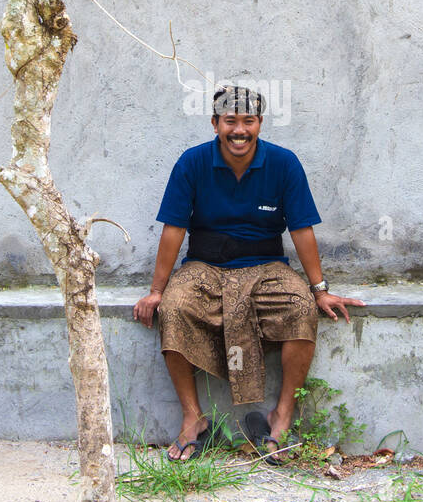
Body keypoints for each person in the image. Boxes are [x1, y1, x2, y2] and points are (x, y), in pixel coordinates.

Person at [133, 85, 364, 463]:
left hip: (268, 267)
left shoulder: (284, 163)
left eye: (248, 121)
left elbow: (302, 229)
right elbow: (173, 229)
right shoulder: (191, 164)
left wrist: (319, 290)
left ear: (259, 124)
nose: (239, 130)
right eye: (230, 121)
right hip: (204, 267)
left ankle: (281, 416)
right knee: (173, 308)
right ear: (215, 124)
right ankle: (194, 420)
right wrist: (157, 291)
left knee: (300, 307)